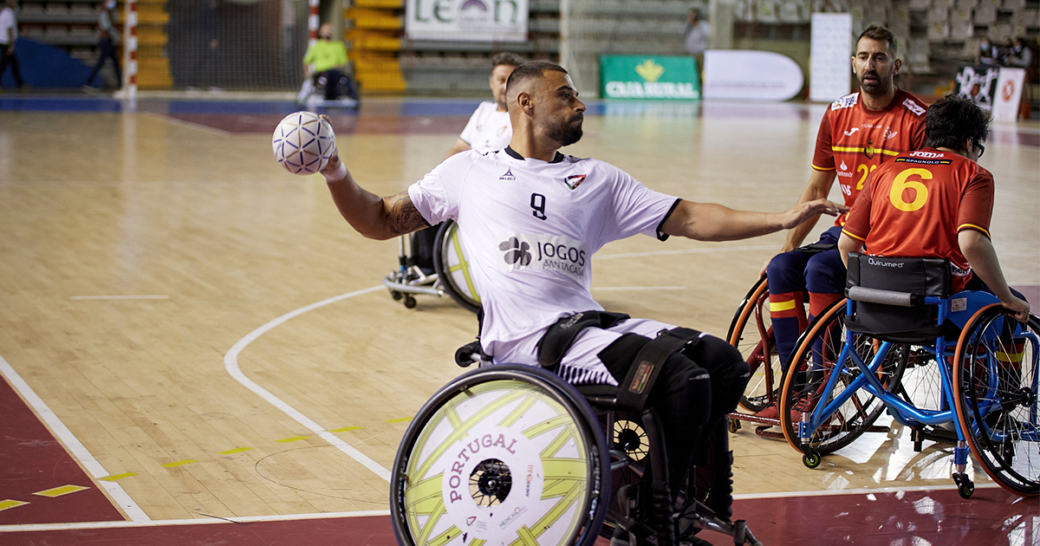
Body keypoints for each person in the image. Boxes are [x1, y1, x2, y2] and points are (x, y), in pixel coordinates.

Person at [317, 61, 845, 540]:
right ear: (525, 103)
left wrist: (780, 219)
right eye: (566, 94)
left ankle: (690, 498)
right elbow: (380, 219)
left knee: (724, 364)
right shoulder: (469, 171)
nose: (580, 104)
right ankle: (654, 523)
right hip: (527, 342)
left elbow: (688, 217)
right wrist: (334, 169)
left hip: (585, 328)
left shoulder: (595, 178)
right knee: (683, 380)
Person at [759, 25, 929, 419]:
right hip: (849, 229)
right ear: (854, 63)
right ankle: (795, 383)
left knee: (821, 268)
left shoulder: (916, 121)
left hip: (891, 237)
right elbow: (819, 183)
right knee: (781, 269)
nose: (872, 65)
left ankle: (822, 384)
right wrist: (789, 243)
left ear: (896, 64)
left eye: (880, 57)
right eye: (865, 57)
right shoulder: (837, 113)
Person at [838, 95, 1029, 323]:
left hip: (877, 293)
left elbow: (846, 244)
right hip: (935, 297)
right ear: (970, 143)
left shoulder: (884, 169)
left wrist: (870, 288)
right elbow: (972, 243)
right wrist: (1006, 297)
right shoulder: (973, 174)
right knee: (1015, 312)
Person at [412, 52, 524, 273]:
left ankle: (433, 269)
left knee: (440, 211)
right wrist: (442, 174)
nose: (505, 86)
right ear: (491, 82)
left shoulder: (523, 117)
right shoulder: (483, 110)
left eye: (511, 80)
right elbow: (459, 147)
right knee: (422, 202)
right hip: (468, 181)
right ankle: (421, 265)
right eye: (501, 80)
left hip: (494, 187)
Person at [302, 23, 352, 102]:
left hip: (335, 72)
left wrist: (334, 67)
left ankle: (351, 98)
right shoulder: (315, 46)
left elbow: (343, 62)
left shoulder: (339, 45)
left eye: (329, 29)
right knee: (327, 76)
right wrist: (307, 72)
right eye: (325, 29)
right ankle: (327, 96)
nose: (327, 31)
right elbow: (306, 61)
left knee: (345, 78)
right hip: (321, 72)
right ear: (321, 32)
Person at [84, 0, 122, 90]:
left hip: (111, 41)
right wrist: (117, 35)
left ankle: (121, 84)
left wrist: (113, 13)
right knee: (101, 62)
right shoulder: (103, 13)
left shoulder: (111, 13)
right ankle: (89, 83)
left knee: (116, 63)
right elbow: (107, 28)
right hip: (106, 41)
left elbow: (116, 20)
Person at [0, 0, 23, 90]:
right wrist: (11, 44)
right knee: (3, 65)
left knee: (14, 64)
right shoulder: (8, 14)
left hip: (3, 41)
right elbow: (9, 29)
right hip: (6, 42)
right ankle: (20, 84)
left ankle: (20, 84)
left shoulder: (4, 12)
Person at [683, 8, 709, 86]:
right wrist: (689, 23)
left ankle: (700, 90)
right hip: (688, 51)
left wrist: (698, 25)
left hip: (699, 52)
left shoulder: (703, 25)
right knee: (687, 71)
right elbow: (682, 32)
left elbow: (706, 35)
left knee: (699, 72)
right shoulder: (688, 25)